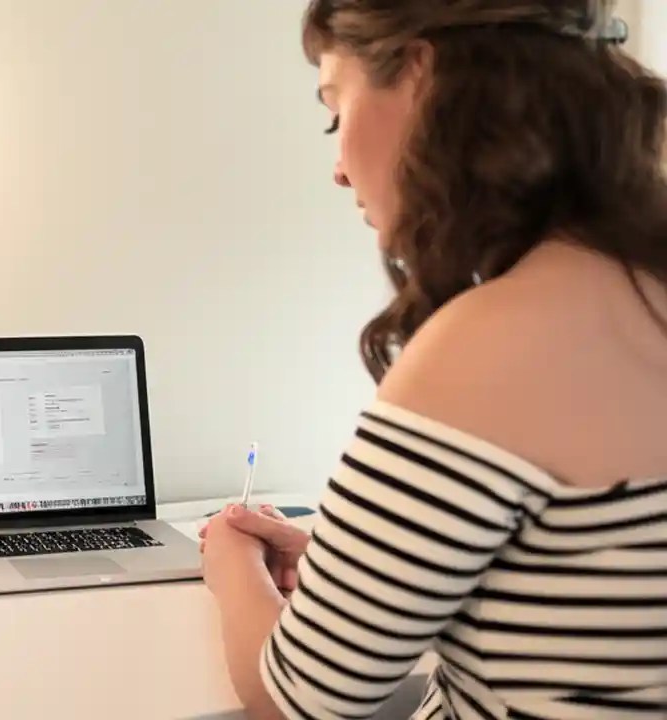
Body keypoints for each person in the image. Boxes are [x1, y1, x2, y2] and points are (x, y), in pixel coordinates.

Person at [199, 1, 667, 718]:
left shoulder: (492, 343)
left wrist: (233, 564)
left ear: (421, 79)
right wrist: (353, 566)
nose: (338, 169)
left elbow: (294, 698)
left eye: (335, 112)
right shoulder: (639, 288)